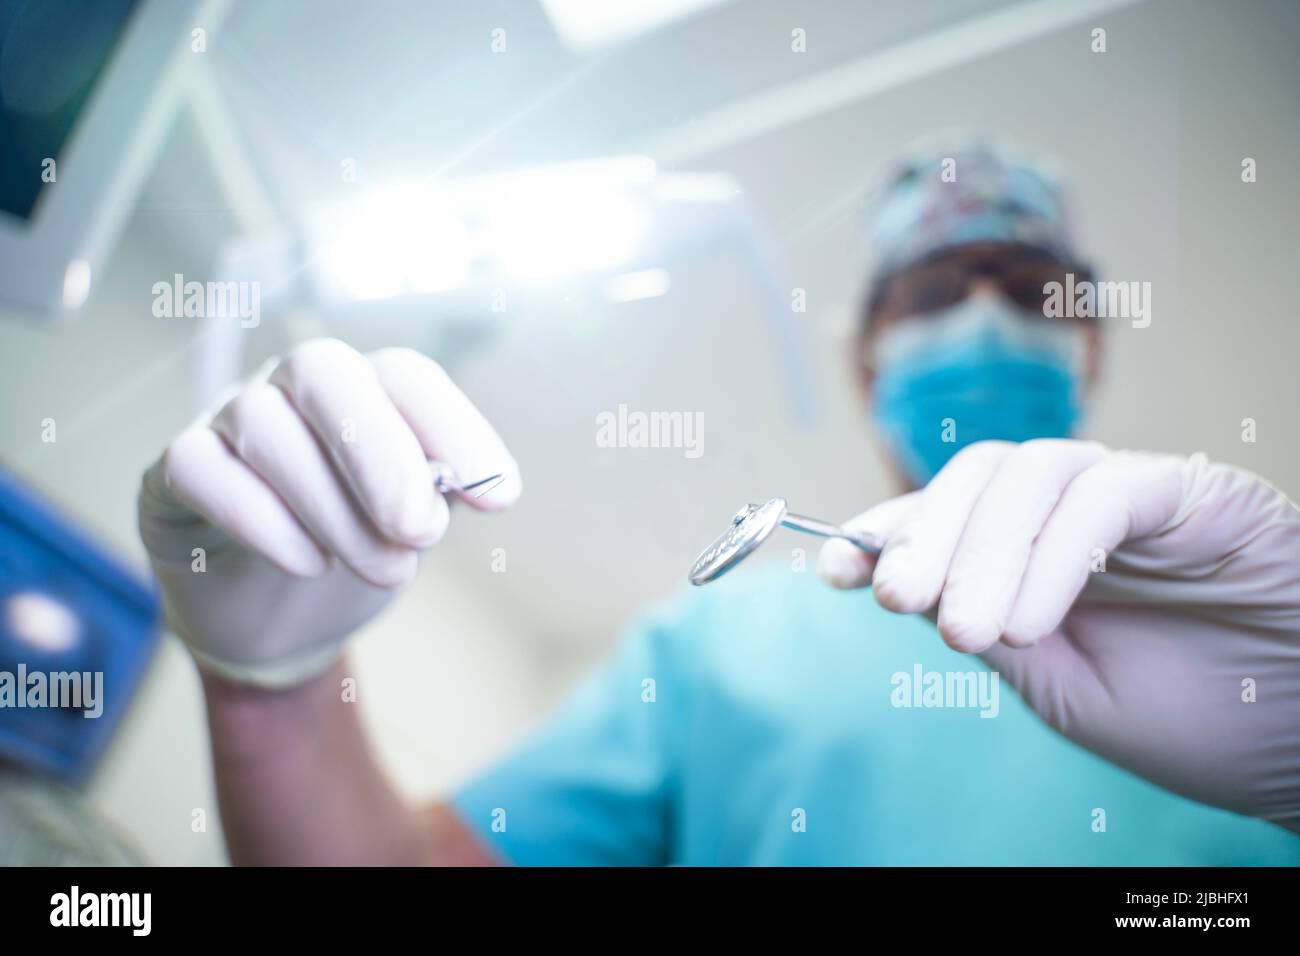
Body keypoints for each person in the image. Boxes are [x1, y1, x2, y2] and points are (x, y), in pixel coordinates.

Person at [137, 145, 1300, 865]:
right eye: (940, 292)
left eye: (1033, 292)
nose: (987, 323)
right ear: (864, 366)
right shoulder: (723, 642)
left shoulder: (1236, 632)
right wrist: (269, 693)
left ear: (1089, 350)